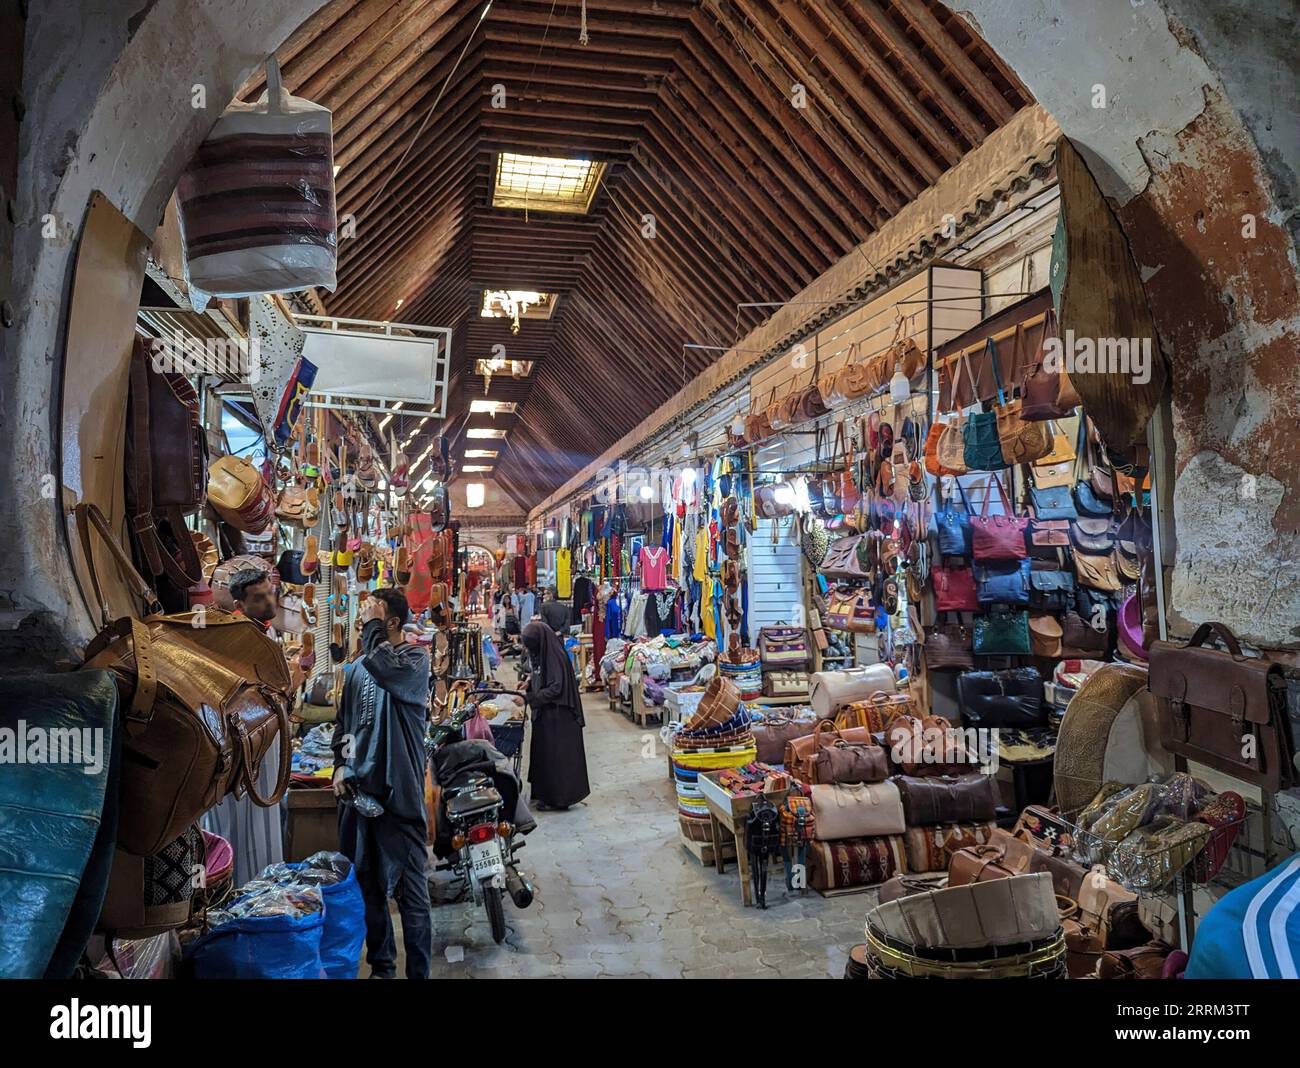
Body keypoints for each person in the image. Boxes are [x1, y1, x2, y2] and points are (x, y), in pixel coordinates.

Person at [332, 587, 433, 980]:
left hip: (399, 794)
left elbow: (383, 665)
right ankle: (383, 968)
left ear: (391, 621)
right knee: (369, 887)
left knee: (411, 894)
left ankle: (419, 973)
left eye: (372, 613)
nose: (363, 618)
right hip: (360, 794)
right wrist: (341, 763)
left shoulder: (412, 661)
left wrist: (372, 625)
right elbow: (346, 725)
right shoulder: (357, 669)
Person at [203, 567, 283, 885]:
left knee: (261, 820)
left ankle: (262, 888)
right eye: (259, 597)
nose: (268, 601)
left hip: (263, 736)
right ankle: (239, 889)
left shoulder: (265, 635)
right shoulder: (229, 640)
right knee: (238, 821)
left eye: (269, 593)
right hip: (240, 737)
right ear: (239, 605)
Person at [519, 620, 590, 811]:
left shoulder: (555, 656)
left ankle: (558, 799)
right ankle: (545, 793)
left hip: (560, 716)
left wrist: (529, 698)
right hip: (548, 714)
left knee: (556, 758)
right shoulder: (544, 651)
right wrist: (529, 682)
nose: (528, 650)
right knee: (545, 753)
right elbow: (539, 672)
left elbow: (556, 687)